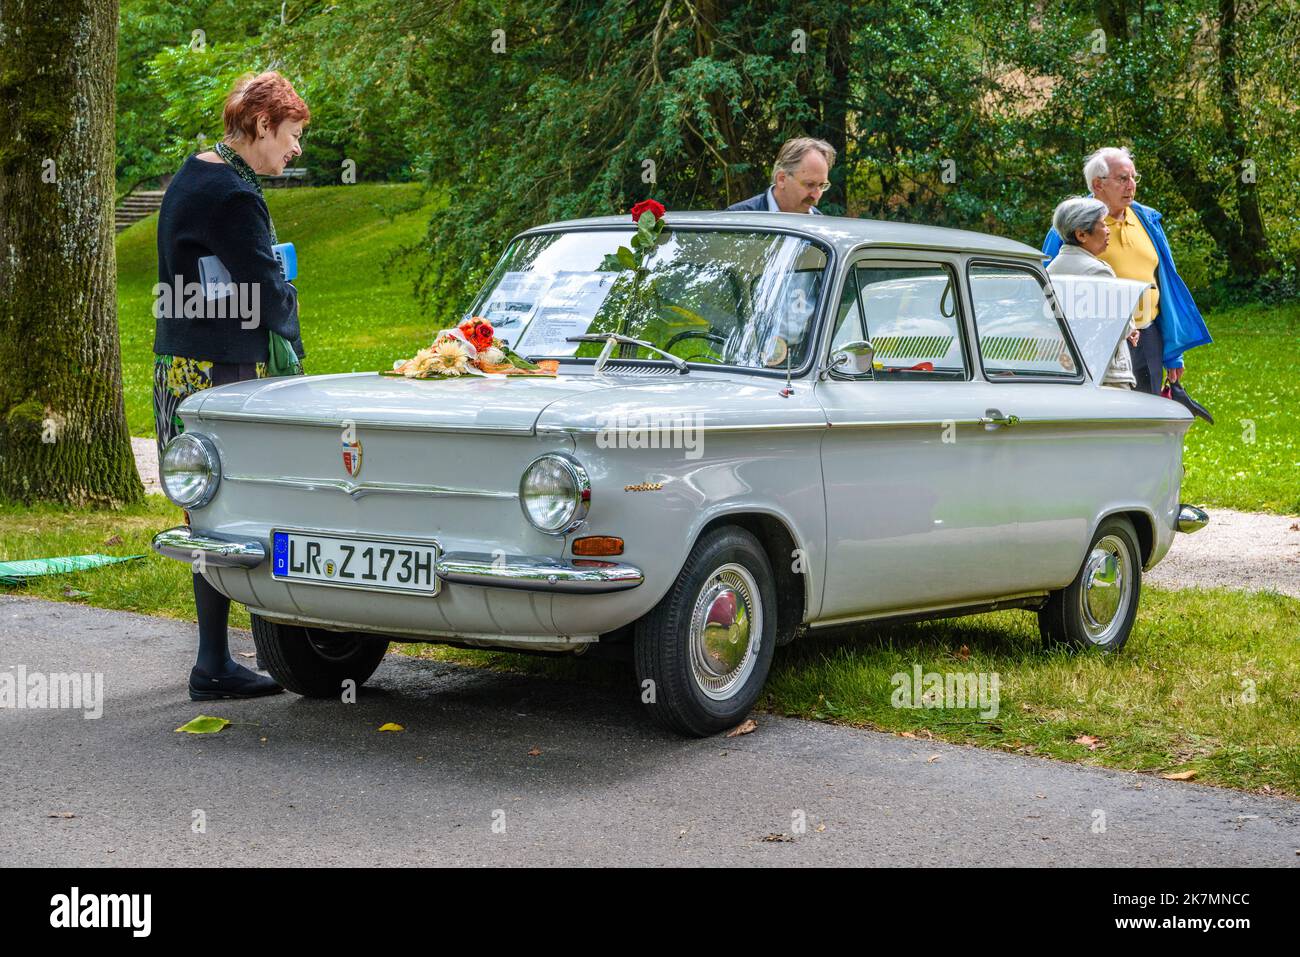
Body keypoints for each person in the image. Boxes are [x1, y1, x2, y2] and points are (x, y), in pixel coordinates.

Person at [153, 71, 309, 700]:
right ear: (262, 125)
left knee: (208, 513)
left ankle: (215, 659)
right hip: (221, 372)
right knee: (234, 511)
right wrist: (293, 326)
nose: (295, 149)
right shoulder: (232, 195)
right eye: (292, 134)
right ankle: (221, 662)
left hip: (181, 363)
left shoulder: (197, 173)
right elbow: (269, 294)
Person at [1042, 146, 1211, 395]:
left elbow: (1166, 287)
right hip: (1097, 340)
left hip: (1148, 335)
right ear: (1097, 185)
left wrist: (1174, 354)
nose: (1131, 185)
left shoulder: (1148, 221)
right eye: (1122, 178)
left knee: (1149, 414)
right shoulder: (1074, 224)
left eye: (1134, 177)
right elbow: (1047, 285)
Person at [1046, 196, 1137, 389]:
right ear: (1082, 235)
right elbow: (1118, 325)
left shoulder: (1051, 269)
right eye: (1103, 224)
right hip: (1106, 374)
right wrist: (1132, 328)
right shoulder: (1097, 271)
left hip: (1065, 366)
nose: (1108, 230)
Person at [727, 137, 835, 214]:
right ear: (782, 179)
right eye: (810, 184)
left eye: (821, 185)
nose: (816, 196)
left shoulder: (819, 225)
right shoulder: (738, 218)